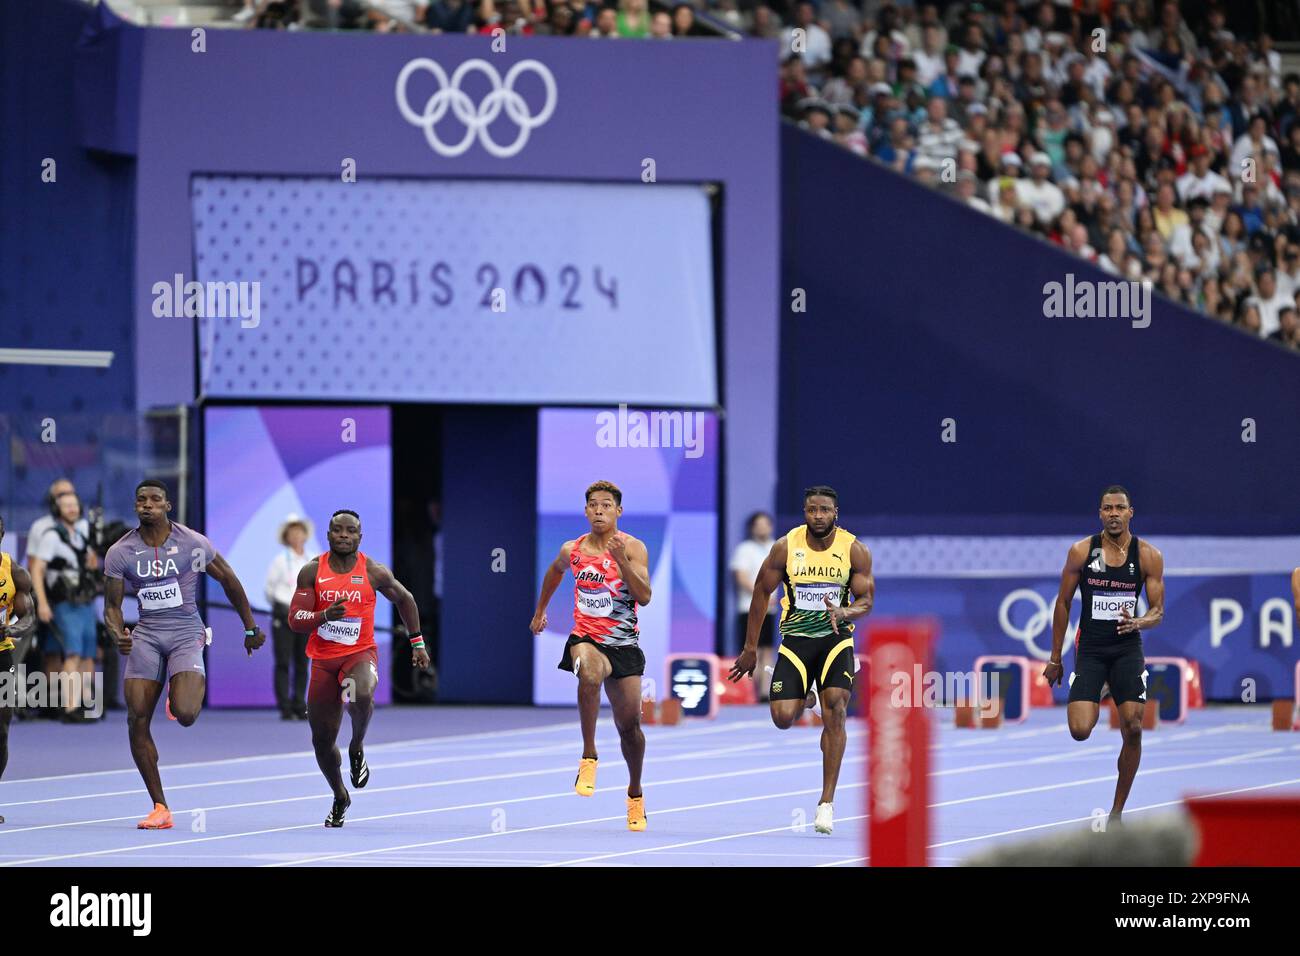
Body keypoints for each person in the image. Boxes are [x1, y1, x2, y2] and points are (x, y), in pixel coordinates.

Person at [103, 479, 267, 830]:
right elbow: (112, 607)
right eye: (141, 500)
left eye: (155, 500)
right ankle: (160, 806)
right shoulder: (121, 552)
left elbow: (228, 579)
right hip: (146, 634)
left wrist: (250, 628)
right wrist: (118, 634)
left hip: (185, 632)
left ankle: (176, 696)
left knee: (187, 712)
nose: (148, 505)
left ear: (167, 506)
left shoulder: (192, 544)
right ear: (136, 507)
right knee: (136, 719)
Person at [729, 486, 874, 835]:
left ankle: (826, 803)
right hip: (796, 642)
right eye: (812, 510)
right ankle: (805, 697)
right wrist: (750, 648)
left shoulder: (854, 549)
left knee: (835, 707)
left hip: (836, 641)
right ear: (804, 512)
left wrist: (846, 609)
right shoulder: (786, 546)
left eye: (825, 510)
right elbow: (762, 591)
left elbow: (866, 599)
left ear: (835, 512)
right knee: (781, 718)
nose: (818, 516)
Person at [287, 509, 427, 827]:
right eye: (338, 530)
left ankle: (357, 745)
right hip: (323, 661)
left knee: (360, 690)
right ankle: (339, 796)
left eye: (351, 531)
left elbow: (405, 599)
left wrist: (417, 642)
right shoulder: (311, 571)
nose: (344, 536)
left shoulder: (373, 571)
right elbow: (295, 621)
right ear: (328, 534)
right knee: (322, 741)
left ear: (360, 537)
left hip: (359, 655)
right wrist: (324, 616)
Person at [530, 480, 653, 832]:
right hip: (587, 638)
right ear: (585, 511)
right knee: (587, 671)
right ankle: (589, 754)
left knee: (630, 730)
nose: (599, 510)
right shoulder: (573, 549)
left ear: (618, 511)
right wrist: (540, 611)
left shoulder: (633, 548)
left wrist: (620, 562)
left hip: (625, 645)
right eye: (593, 505)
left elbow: (644, 596)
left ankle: (635, 794)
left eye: (606, 505)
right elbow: (555, 572)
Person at [1042, 486, 1165, 828]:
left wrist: (1139, 621)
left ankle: (1117, 813)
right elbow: (1063, 603)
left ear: (1130, 513)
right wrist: (1056, 657)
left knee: (1134, 728)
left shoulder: (1148, 556)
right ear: (1100, 514)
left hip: (1127, 647)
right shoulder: (1081, 552)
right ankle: (1103, 687)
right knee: (1080, 730)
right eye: (1107, 508)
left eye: (1119, 508)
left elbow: (1158, 611)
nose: (1113, 513)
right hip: (1092, 649)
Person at [27, 487, 100, 722]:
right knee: (72, 653)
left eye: (74, 504)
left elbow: (89, 566)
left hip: (85, 601)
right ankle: (69, 707)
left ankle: (88, 703)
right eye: (66, 505)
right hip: (64, 602)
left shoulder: (81, 535)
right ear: (57, 510)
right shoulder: (51, 536)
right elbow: (37, 570)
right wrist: (43, 604)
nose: (72, 509)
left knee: (88, 654)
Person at [0, 513, 37, 823]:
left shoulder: (14, 572)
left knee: (0, 730)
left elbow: (28, 617)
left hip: (1, 656)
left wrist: (12, 629)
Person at [265, 514, 313, 720]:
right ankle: (285, 706)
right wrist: (283, 607)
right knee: (283, 661)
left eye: (299, 531)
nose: (296, 535)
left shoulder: (312, 559)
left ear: (304, 535)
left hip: (305, 616)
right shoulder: (279, 561)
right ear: (287, 536)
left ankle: (300, 704)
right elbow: (269, 589)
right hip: (284, 616)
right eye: (292, 532)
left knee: (303, 662)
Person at [729, 511, 777, 697]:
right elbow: (741, 577)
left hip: (770, 609)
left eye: (765, 524)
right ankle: (750, 692)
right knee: (751, 650)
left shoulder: (776, 547)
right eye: (758, 524)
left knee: (767, 650)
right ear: (752, 528)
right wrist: (762, 594)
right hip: (748, 608)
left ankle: (765, 691)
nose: (762, 528)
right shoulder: (744, 549)